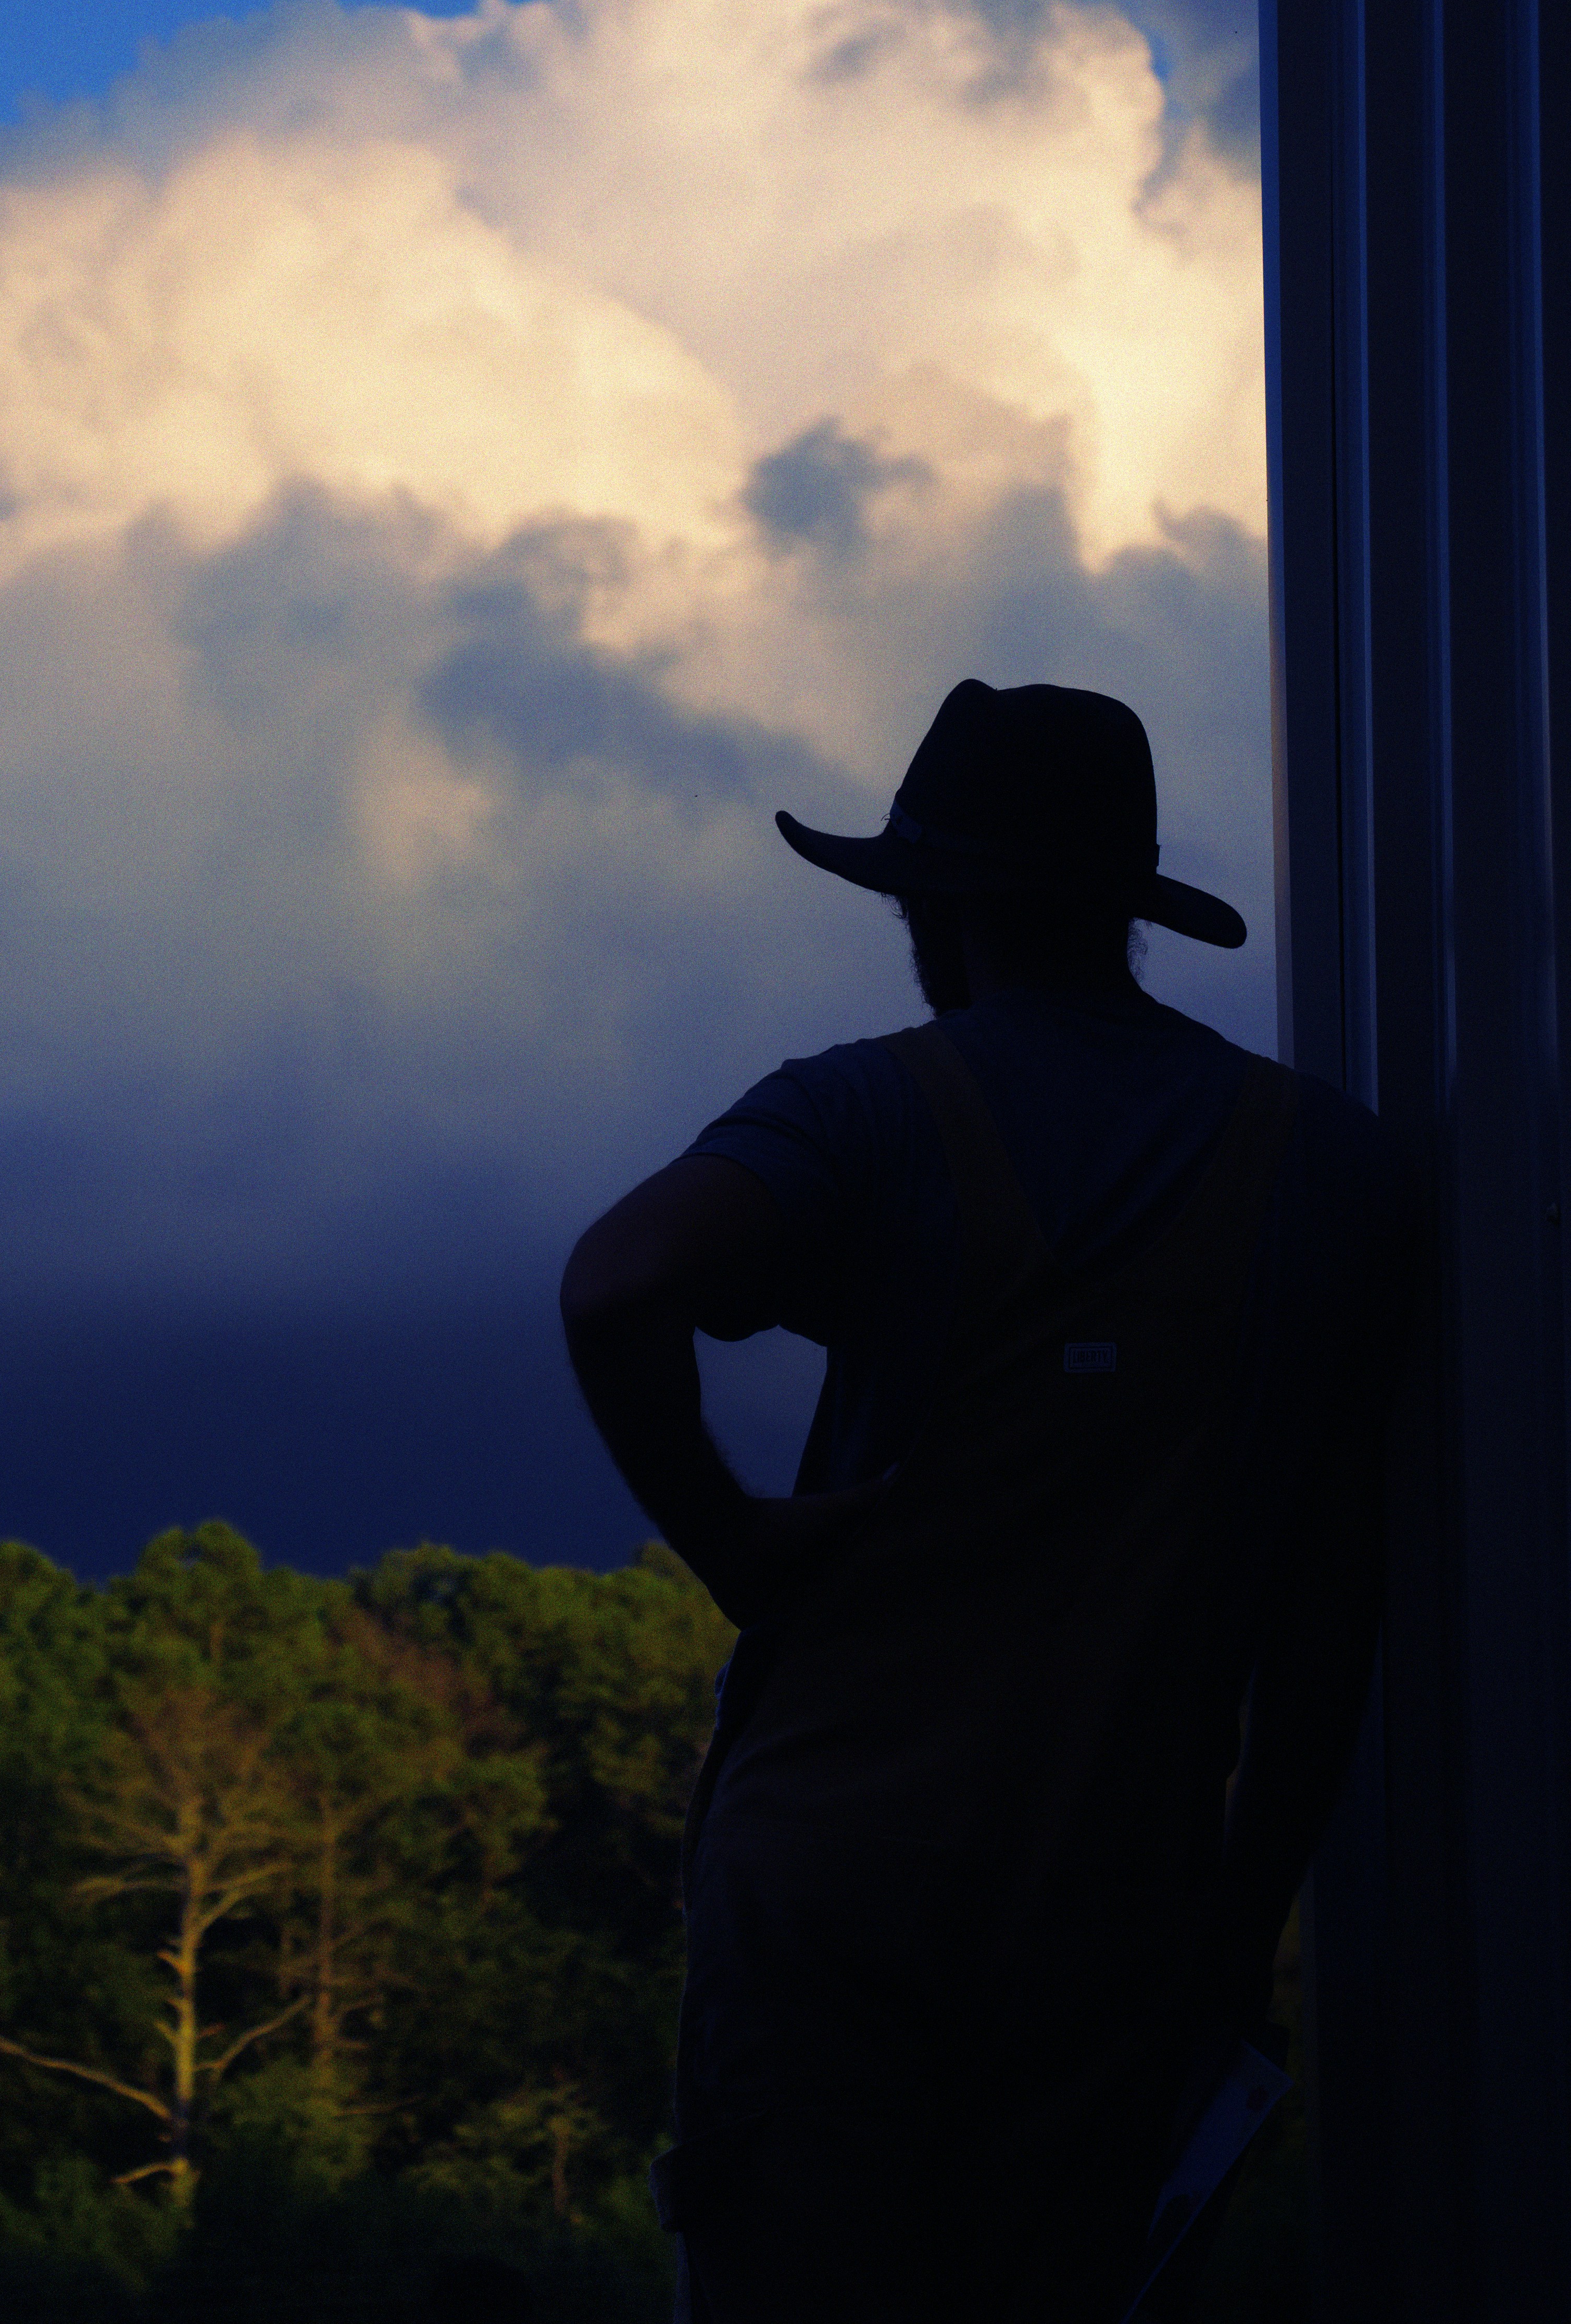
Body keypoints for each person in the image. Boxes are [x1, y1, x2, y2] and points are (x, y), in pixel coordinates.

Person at [560, 680, 1419, 2324]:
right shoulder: (1339, 1174)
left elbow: (617, 1286)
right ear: (1129, 908)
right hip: (1111, 1917)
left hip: (824, 1898)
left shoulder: (863, 1113)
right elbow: (1328, 1607)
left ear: (929, 910)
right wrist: (1238, 1930)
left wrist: (735, 1539)